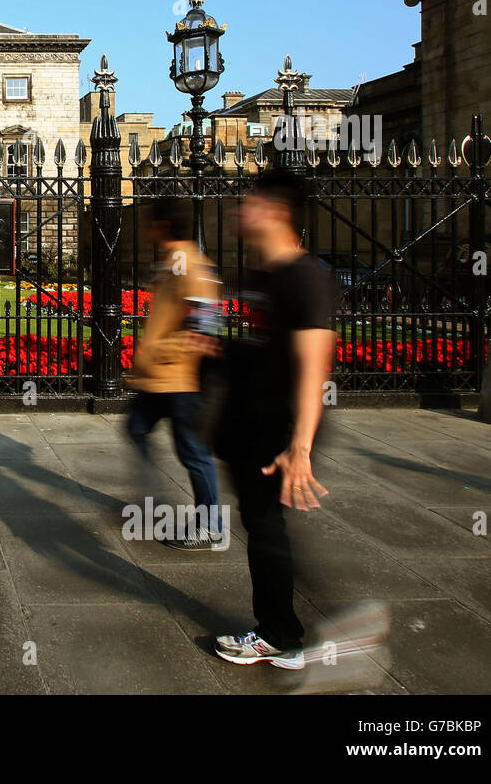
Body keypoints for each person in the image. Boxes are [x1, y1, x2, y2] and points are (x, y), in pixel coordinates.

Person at [213, 171, 337, 670]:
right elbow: (267, 348)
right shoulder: (266, 272)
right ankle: (285, 626)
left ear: (275, 212)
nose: (240, 210)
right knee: (262, 522)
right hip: (253, 418)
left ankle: (280, 635)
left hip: (281, 426)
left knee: (266, 525)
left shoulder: (306, 277)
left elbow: (313, 366)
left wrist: (301, 445)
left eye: (249, 202)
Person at [125, 198, 224, 550]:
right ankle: (156, 503)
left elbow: (207, 320)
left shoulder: (188, 263)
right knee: (136, 427)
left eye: (151, 223)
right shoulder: (171, 262)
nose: (148, 229)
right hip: (158, 379)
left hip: (179, 380)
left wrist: (168, 353)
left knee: (194, 453)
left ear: (163, 226)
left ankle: (210, 525)